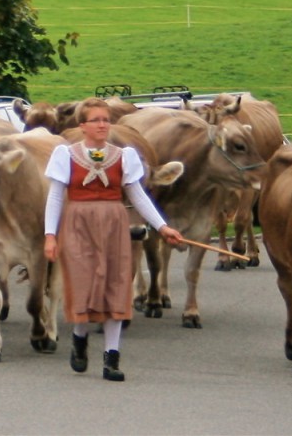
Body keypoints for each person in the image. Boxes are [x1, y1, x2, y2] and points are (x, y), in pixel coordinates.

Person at [43, 98, 184, 381]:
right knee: (84, 286)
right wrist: (50, 235)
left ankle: (111, 357)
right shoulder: (66, 155)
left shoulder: (124, 156)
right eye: (95, 120)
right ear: (82, 125)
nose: (102, 124)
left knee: (115, 287)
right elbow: (56, 195)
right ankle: (80, 339)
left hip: (114, 223)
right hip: (78, 223)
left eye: (106, 119)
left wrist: (162, 226)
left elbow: (138, 195)